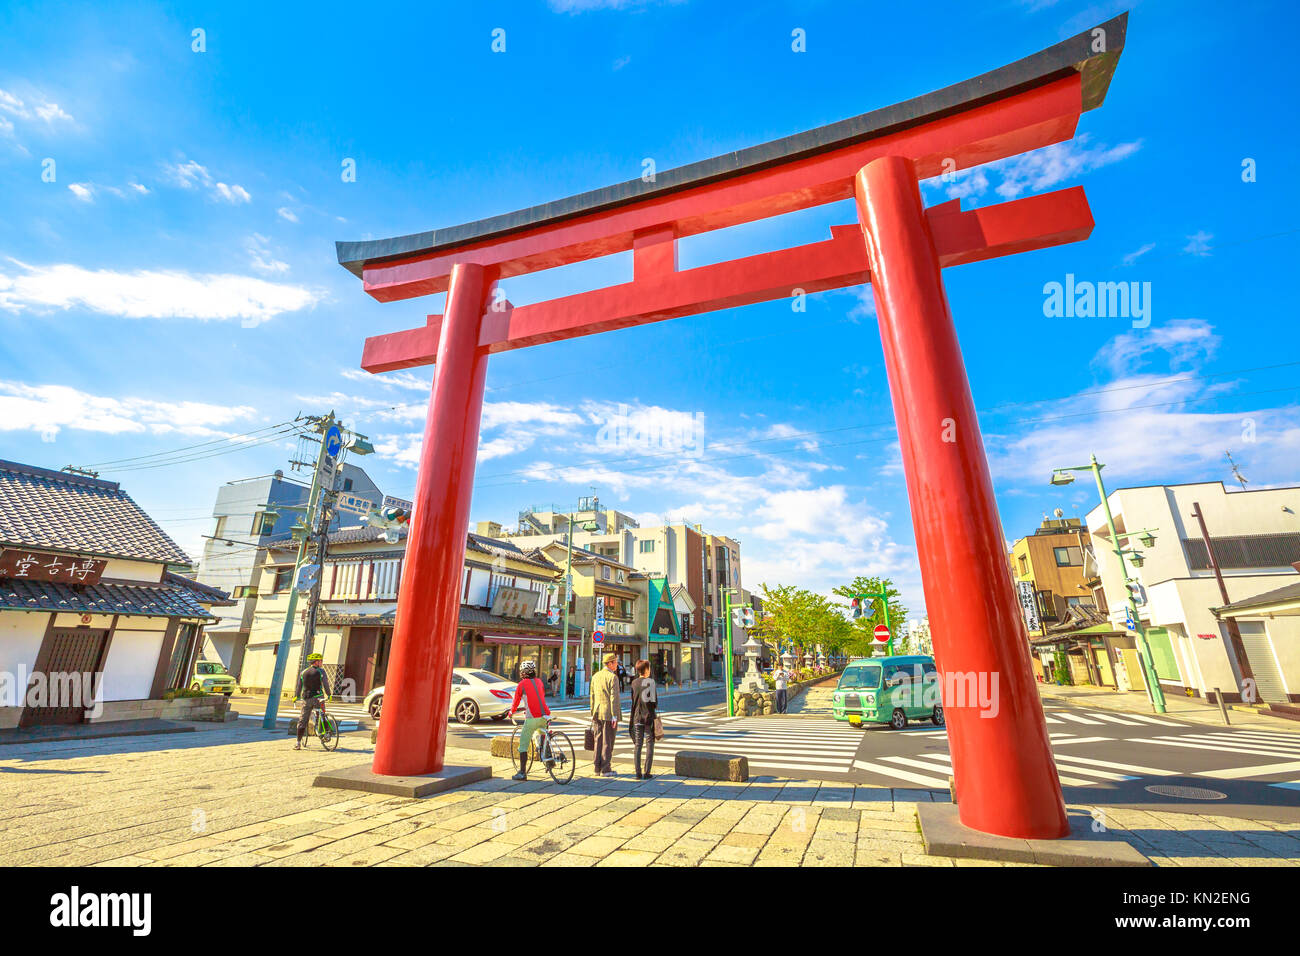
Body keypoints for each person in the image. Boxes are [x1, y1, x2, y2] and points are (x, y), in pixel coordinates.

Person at [508, 659, 551, 781]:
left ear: (523, 673)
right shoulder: (539, 682)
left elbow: (516, 701)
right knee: (542, 734)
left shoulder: (521, 685)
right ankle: (548, 757)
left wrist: (511, 712)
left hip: (532, 718)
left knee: (523, 745)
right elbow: (539, 697)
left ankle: (522, 772)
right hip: (545, 715)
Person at [589, 651, 622, 776]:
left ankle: (597, 767)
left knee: (598, 739)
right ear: (610, 663)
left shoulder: (595, 676)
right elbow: (614, 698)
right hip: (608, 712)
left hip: (596, 711)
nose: (617, 665)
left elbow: (592, 695)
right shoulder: (613, 677)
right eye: (616, 662)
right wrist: (614, 715)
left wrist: (592, 711)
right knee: (608, 740)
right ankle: (606, 768)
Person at [293, 652, 332, 751]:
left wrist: (296, 696)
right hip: (319, 697)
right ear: (316, 662)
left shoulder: (303, 672)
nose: (322, 662)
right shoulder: (321, 671)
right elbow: (325, 684)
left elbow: (299, 686)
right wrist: (329, 694)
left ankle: (298, 743)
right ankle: (326, 734)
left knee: (303, 720)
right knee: (322, 714)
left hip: (306, 698)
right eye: (321, 661)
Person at [628, 659, 658, 780]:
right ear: (645, 670)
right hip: (648, 717)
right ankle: (647, 772)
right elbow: (654, 703)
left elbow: (633, 700)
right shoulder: (650, 682)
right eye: (649, 668)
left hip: (637, 717)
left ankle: (637, 773)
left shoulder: (634, 683)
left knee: (638, 745)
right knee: (649, 743)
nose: (649, 670)